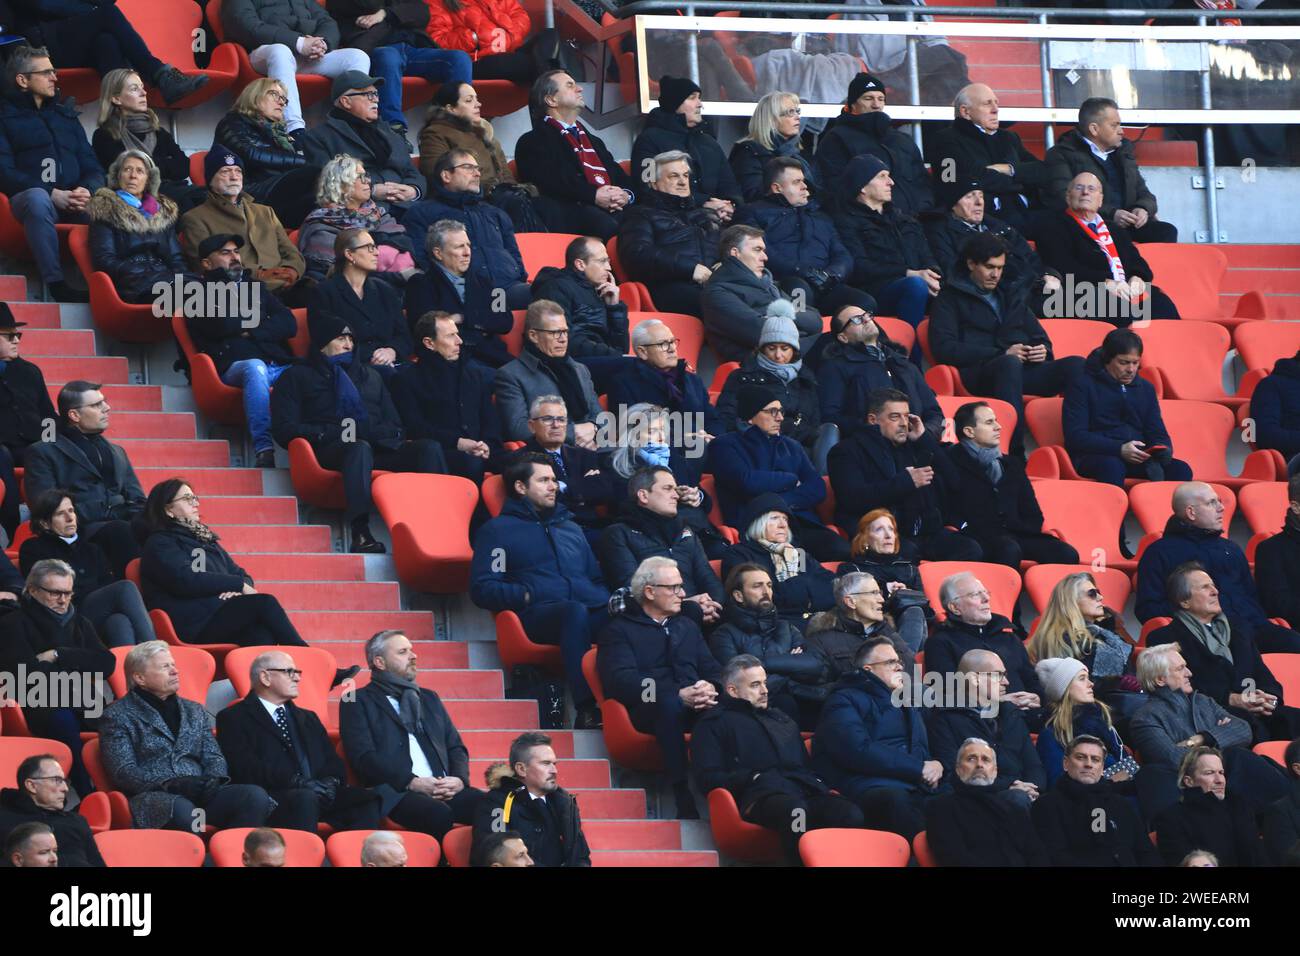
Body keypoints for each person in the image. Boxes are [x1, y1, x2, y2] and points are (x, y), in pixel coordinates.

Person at [271, 312, 446, 553]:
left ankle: (435, 530)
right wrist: (329, 432)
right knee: (358, 447)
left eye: (351, 339)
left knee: (429, 449)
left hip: (377, 446)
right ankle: (360, 532)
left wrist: (372, 432)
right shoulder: (296, 376)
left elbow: (395, 424)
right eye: (341, 338)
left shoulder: (370, 376)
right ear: (323, 342)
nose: (348, 344)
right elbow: (284, 429)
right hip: (330, 450)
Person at [470, 454, 608, 728]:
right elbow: (484, 587)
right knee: (573, 612)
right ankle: (586, 709)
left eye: (555, 480)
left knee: (632, 616)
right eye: (544, 480)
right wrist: (526, 595)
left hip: (586, 607)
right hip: (536, 614)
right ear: (521, 487)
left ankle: (637, 710)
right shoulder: (498, 532)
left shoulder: (570, 528)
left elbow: (595, 577)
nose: (553, 486)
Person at [691, 654, 863, 863]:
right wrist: (752, 778)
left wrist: (819, 785)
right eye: (755, 685)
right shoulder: (712, 724)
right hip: (757, 796)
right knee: (796, 812)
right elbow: (707, 778)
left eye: (764, 683)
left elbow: (805, 767)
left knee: (850, 813)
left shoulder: (782, 719)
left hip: (802, 789)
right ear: (732, 691)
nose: (765, 690)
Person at [930, 235, 1084, 454]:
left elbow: (1040, 336)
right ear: (971, 264)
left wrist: (1042, 351)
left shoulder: (1009, 295)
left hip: (1021, 370)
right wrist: (1001, 353)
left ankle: (1079, 446)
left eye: (1000, 268)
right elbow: (944, 348)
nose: (996, 274)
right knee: (1008, 364)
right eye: (989, 267)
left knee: (1076, 365)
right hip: (979, 373)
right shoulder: (949, 299)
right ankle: (1014, 451)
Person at [99, 641, 275, 830]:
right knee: (185, 812)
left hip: (202, 794)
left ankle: (238, 857)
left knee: (254, 797)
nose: (175, 671)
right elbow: (124, 771)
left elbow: (213, 756)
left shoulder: (194, 710)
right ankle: (195, 858)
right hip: (158, 799)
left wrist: (211, 781)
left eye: (173, 665)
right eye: (165, 666)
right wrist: (170, 785)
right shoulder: (117, 715)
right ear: (140, 678)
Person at [597, 556, 720, 817]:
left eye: (681, 586)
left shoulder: (687, 626)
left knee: (730, 707)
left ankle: (726, 791)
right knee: (668, 705)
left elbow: (713, 669)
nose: (683, 594)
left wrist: (709, 686)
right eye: (674, 588)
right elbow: (620, 681)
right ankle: (681, 792)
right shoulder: (618, 630)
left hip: (694, 703)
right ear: (650, 592)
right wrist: (676, 694)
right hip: (649, 708)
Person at [216, 649, 383, 832]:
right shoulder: (233, 717)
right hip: (274, 796)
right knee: (304, 798)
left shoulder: (308, 717)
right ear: (265, 677)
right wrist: (298, 782)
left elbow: (332, 760)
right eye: (289, 672)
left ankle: (358, 858)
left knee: (367, 800)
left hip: (318, 794)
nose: (297, 678)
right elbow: (245, 768)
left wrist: (330, 783)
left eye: (297, 672)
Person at [139, 478, 314, 650]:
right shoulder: (159, 543)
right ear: (168, 510)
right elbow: (187, 580)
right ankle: (307, 657)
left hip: (217, 612)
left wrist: (237, 589)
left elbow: (240, 574)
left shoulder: (206, 540)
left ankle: (273, 676)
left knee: (259, 634)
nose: (196, 504)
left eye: (195, 498)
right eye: (187, 499)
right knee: (264, 603)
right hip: (193, 623)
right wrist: (237, 585)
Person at [339, 629, 480, 838]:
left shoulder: (429, 698)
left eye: (412, 650)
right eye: (403, 652)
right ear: (380, 662)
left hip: (442, 786)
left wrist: (459, 780)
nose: (414, 656)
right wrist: (411, 781)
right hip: (397, 790)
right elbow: (363, 757)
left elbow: (455, 746)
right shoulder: (356, 700)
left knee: (495, 805)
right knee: (438, 813)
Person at [1137, 483, 1300, 654]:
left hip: (1252, 628)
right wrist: (1195, 617)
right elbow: (1148, 608)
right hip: (1203, 633)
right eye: (1211, 503)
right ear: (1191, 512)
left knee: (1293, 643)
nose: (1221, 508)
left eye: (1220, 502)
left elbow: (1253, 599)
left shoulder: (1231, 548)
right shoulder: (1159, 552)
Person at [1129, 642, 1286, 821]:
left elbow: (1243, 730)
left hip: (1226, 783)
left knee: (1246, 758)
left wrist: (1200, 738)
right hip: (1190, 791)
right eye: (1181, 669)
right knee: (1237, 755)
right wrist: (1220, 733)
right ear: (1160, 679)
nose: (1189, 673)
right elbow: (1172, 758)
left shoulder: (1203, 701)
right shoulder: (1145, 718)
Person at [1146, 562, 1300, 742]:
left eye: (1213, 585)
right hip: (1215, 716)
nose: (1215, 591)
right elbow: (1180, 689)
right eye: (1205, 588)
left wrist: (1269, 698)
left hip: (1260, 711)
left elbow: (1262, 674)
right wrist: (1231, 699)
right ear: (1184, 601)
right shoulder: (1164, 638)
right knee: (1248, 725)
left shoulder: (1239, 629)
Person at [0, 45, 104, 303]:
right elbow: (4, 172)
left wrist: (86, 189)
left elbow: (93, 165)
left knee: (112, 204)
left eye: (53, 71)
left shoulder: (66, 116)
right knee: (38, 198)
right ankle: (57, 284)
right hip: (26, 202)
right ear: (22, 80)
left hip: (74, 199)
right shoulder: (3, 117)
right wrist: (51, 193)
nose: (55, 78)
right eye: (46, 72)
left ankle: (114, 285)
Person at [186, 234, 299, 469]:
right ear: (206, 263)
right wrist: (261, 320)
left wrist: (253, 331)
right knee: (254, 367)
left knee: (316, 371)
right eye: (225, 253)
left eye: (236, 251)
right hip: (232, 366)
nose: (234, 257)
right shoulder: (195, 290)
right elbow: (222, 325)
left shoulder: (256, 288)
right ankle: (264, 448)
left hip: (275, 362)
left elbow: (289, 323)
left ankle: (312, 445)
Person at [0, 559, 112, 793]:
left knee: (122, 716)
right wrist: (79, 664)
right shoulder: (12, 624)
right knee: (63, 718)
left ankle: (122, 791)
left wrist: (59, 655)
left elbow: (106, 663)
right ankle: (86, 791)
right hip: (37, 701)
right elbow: (26, 674)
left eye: (68, 593)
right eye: (55, 593)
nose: (63, 600)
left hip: (81, 698)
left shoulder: (79, 622)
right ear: (32, 590)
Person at [828, 388, 979, 561]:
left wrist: (924, 438)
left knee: (970, 549)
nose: (903, 423)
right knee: (907, 553)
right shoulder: (846, 451)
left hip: (925, 531)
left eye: (906, 416)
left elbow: (954, 481)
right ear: (873, 420)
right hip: (880, 533)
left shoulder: (915, 445)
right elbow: (852, 499)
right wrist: (905, 483)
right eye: (895, 417)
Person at [813, 637, 941, 840]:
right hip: (866, 784)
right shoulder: (843, 700)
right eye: (890, 662)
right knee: (897, 801)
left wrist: (936, 765)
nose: (899, 666)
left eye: (899, 661)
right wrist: (918, 768)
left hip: (912, 782)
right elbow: (857, 750)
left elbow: (922, 746)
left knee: (961, 799)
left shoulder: (907, 701)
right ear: (868, 669)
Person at [710, 388, 848, 562]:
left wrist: (780, 503)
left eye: (781, 411)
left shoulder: (791, 446)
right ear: (750, 417)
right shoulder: (725, 445)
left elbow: (817, 488)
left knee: (842, 551)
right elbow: (747, 482)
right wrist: (791, 479)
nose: (780, 418)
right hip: (757, 528)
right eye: (772, 411)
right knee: (798, 563)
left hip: (800, 522)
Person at [24, 380, 145, 577]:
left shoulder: (117, 452)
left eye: (104, 402)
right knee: (121, 530)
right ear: (74, 415)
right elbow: (45, 506)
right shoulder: (43, 451)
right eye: (97, 405)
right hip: (80, 530)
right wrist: (109, 511)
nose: (107, 408)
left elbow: (138, 499)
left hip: (121, 526)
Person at [940, 401, 1080, 567]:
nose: (998, 427)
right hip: (976, 537)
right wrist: (965, 527)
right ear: (969, 431)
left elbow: (1033, 512)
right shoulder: (950, 461)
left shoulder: (1012, 464)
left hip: (1017, 534)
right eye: (989, 422)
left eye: (996, 421)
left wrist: (1022, 527)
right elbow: (945, 508)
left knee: (1067, 554)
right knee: (1008, 549)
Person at [734, 157, 876, 321]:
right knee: (799, 291)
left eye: (804, 181)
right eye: (797, 182)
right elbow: (761, 250)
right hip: (783, 283)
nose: (805, 186)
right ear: (777, 188)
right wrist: (802, 272)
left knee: (865, 302)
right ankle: (800, 340)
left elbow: (842, 254)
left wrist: (832, 275)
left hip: (825, 285)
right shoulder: (753, 212)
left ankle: (844, 342)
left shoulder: (821, 216)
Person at [1034, 172, 1179, 324]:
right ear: (1068, 197)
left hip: (1124, 289)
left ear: (1100, 200)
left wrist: (1137, 277)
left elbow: (1137, 261)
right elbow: (1062, 266)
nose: (1085, 192)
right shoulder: (1053, 226)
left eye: (1091, 189)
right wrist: (1105, 282)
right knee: (1118, 308)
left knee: (1161, 304)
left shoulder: (1115, 229)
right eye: (1079, 188)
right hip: (1080, 291)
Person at [20, 490, 153, 648]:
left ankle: (127, 670)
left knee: (118, 622)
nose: (70, 518)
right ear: (44, 523)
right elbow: (46, 589)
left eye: (71, 511)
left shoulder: (91, 549)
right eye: (60, 514)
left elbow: (106, 582)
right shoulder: (33, 548)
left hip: (91, 615)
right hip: (63, 614)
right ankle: (155, 650)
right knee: (125, 587)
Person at [179, 149, 312, 307]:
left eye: (238, 171)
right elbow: (205, 265)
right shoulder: (195, 218)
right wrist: (260, 273)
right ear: (210, 180)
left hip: (286, 284)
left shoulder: (265, 211)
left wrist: (291, 270)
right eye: (225, 171)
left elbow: (290, 251)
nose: (234, 176)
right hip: (242, 291)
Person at [1062, 327, 1192, 487]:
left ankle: (1163, 512)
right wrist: (1119, 449)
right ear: (1107, 360)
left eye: (1135, 363)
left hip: (1136, 456)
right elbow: (1076, 436)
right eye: (1123, 362)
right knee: (1112, 466)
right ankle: (1111, 511)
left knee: (1181, 470)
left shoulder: (1146, 389)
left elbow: (1157, 431)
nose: (1131, 369)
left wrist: (1162, 449)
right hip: (1095, 455)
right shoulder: (1081, 385)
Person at [327, 0, 471, 144]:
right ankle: (394, 129)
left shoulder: (388, 14)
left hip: (411, 48)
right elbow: (368, 5)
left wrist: (386, 14)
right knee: (389, 57)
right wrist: (397, 16)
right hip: (375, 49)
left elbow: (421, 12)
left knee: (459, 58)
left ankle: (460, 126)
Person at [515, 70, 637, 239]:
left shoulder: (594, 141)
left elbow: (618, 174)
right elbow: (553, 182)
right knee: (615, 228)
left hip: (612, 210)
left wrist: (625, 194)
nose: (579, 89)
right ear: (551, 100)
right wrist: (594, 195)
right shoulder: (532, 141)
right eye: (570, 85)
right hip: (573, 214)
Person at [220, 0, 371, 136]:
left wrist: (322, 43)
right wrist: (298, 43)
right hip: (262, 54)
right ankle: (293, 129)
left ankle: (351, 126)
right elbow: (245, 25)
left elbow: (327, 21)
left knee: (357, 57)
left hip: (306, 55)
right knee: (280, 51)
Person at [596, 467, 723, 627]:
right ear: (643, 495)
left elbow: (708, 577)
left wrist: (713, 605)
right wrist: (688, 605)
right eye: (667, 488)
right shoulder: (618, 533)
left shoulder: (685, 531)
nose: (676, 495)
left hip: (702, 613)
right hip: (653, 622)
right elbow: (632, 588)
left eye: (675, 489)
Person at [400, 149, 528, 308]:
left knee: (547, 293)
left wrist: (518, 275)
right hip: (462, 292)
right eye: (468, 168)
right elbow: (423, 259)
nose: (477, 174)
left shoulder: (495, 213)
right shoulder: (421, 213)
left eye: (478, 169)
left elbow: (514, 254)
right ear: (446, 175)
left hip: (505, 289)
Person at [4, 5, 206, 104]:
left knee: (106, 42)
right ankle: (160, 75)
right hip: (38, 47)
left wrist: (88, 9)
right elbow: (39, 4)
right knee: (107, 14)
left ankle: (121, 119)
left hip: (71, 38)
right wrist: (88, 9)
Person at [832, 155, 940, 341]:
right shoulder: (846, 222)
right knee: (915, 286)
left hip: (918, 283)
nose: (891, 182)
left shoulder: (904, 219)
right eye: (882, 176)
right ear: (863, 187)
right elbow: (860, 267)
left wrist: (933, 274)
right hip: (877, 291)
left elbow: (927, 254)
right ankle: (908, 355)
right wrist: (909, 273)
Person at [1043, 97, 1177, 244]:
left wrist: (1142, 208)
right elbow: (1063, 198)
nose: (1122, 131)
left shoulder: (1123, 152)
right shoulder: (1061, 154)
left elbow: (1144, 192)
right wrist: (1112, 214)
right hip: (1092, 225)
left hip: (1130, 224)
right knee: (1116, 235)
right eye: (1115, 126)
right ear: (1094, 129)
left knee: (1166, 231)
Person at [390, 311, 503, 484]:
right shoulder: (406, 379)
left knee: (526, 463)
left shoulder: (473, 374)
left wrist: (487, 444)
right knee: (471, 463)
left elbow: (489, 419)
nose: (460, 341)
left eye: (457, 334)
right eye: (451, 336)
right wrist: (458, 443)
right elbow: (415, 428)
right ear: (429, 343)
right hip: (443, 453)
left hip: (481, 450)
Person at [417, 81, 544, 233]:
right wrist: (490, 189)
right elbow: (437, 173)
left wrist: (511, 190)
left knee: (537, 202)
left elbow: (506, 176)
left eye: (476, 99)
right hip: (466, 202)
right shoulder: (435, 133)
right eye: (469, 100)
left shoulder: (486, 136)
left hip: (499, 199)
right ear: (451, 109)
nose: (478, 104)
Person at [606, 403, 726, 560]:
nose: (661, 437)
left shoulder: (677, 460)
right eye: (652, 431)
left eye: (662, 430)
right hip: (653, 539)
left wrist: (697, 496)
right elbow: (623, 507)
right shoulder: (622, 465)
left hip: (697, 533)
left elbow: (705, 500)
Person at [925, 650, 1044, 807]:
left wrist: (1032, 788)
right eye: (998, 675)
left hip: (1022, 795)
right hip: (975, 800)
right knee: (1017, 800)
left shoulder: (1012, 713)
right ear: (974, 679)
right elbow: (954, 774)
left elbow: (1033, 764)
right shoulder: (945, 717)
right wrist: (1009, 786)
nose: (1006, 682)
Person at [923, 84, 1045, 236]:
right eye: (987, 103)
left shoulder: (1009, 138)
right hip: (986, 219)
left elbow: (1042, 171)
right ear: (965, 111)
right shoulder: (946, 140)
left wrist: (1008, 169)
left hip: (1029, 212)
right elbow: (953, 182)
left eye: (996, 103)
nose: (995, 109)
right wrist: (1020, 180)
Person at [706, 566, 822, 725]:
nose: (766, 591)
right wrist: (789, 664)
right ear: (739, 595)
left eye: (769, 585)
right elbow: (739, 680)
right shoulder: (723, 634)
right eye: (757, 586)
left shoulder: (786, 628)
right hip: (751, 717)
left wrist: (760, 664)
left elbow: (814, 665)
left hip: (801, 705)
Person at [615, 149, 722, 319]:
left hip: (714, 284)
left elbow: (724, 247)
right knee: (722, 303)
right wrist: (690, 269)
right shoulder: (640, 214)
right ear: (654, 183)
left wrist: (725, 263)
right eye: (674, 176)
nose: (682, 182)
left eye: (686, 176)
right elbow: (636, 254)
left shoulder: (704, 215)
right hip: (671, 287)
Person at [923, 176, 1056, 312]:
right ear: (953, 205)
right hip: (988, 298)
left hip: (1027, 290)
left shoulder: (999, 226)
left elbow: (1030, 257)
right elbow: (953, 271)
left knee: (1071, 301)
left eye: (981, 195)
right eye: (969, 197)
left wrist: (1048, 274)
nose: (979, 202)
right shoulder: (941, 231)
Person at [926, 572, 1043, 724]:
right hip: (983, 722)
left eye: (985, 593)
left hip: (1028, 716)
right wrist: (1001, 703)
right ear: (955, 607)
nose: (986, 599)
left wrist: (1037, 697)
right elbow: (947, 694)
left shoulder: (1010, 638)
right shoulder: (940, 643)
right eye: (975, 595)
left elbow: (1032, 680)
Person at [299, 71, 425, 213]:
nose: (375, 100)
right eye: (368, 95)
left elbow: (412, 172)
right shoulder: (319, 137)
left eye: (376, 94)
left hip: (407, 206)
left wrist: (414, 190)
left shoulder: (390, 132)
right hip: (361, 211)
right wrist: (371, 191)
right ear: (346, 101)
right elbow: (326, 184)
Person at [812, 72, 933, 216]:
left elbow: (922, 183)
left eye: (881, 99)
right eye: (868, 98)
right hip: (868, 228)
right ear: (853, 105)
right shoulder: (836, 140)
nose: (876, 104)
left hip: (913, 226)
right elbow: (834, 190)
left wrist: (924, 210)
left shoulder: (902, 140)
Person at [1031, 734, 1161, 867]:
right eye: (1081, 757)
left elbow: (1145, 852)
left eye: (1095, 759)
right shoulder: (1047, 805)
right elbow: (1056, 857)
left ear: (1102, 767)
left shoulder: (1121, 804)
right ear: (1066, 763)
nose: (1088, 764)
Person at [815, 306, 942, 437]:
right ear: (843, 337)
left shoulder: (904, 363)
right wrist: (876, 429)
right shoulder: (835, 367)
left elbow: (934, 413)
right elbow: (830, 418)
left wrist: (924, 433)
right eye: (857, 319)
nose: (866, 320)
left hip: (916, 448)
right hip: (867, 447)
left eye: (867, 315)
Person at [213, 78, 323, 230]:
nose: (281, 103)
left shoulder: (280, 133)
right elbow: (252, 153)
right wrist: (300, 161)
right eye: (274, 95)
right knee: (314, 174)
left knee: (324, 191)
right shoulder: (233, 122)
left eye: (284, 99)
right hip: (250, 193)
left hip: (279, 190)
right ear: (255, 96)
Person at [701, 224, 820, 365]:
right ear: (735, 253)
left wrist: (775, 317)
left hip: (794, 356)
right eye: (757, 250)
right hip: (760, 368)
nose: (765, 257)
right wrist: (793, 322)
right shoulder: (717, 293)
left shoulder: (770, 285)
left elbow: (814, 319)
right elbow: (765, 333)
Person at [1028, 572, 1140, 719]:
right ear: (1072, 602)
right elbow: (1077, 689)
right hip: (1090, 714)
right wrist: (1117, 682)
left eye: (1098, 592)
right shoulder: (1066, 639)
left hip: (1118, 705)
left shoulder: (1105, 634)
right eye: (1092, 594)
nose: (1101, 598)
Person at [86, 150, 192, 304]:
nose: (133, 176)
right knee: (196, 299)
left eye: (140, 171)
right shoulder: (105, 209)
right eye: (127, 169)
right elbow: (104, 259)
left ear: (149, 179)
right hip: (134, 284)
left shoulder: (163, 211)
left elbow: (176, 259)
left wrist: (181, 278)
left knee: (218, 292)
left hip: (166, 279)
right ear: (117, 175)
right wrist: (140, 272)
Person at [472, 731, 592, 867]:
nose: (554, 771)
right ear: (521, 769)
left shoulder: (564, 803)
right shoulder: (496, 803)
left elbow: (581, 856)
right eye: (546, 763)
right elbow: (494, 857)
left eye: (554, 764)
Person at [403, 219, 510, 368]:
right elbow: (427, 329)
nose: (467, 253)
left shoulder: (487, 282)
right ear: (438, 253)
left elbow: (505, 320)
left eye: (468, 246)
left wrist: (462, 317)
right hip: (451, 361)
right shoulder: (420, 284)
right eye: (459, 247)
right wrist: (482, 322)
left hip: (492, 356)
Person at [924, 739, 1049, 866]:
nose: (979, 765)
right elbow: (954, 858)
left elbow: (1037, 854)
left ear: (994, 771)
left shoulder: (1014, 810)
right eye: (971, 759)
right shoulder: (941, 808)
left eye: (986, 760)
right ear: (958, 769)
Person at [493, 300, 601, 445]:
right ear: (533, 335)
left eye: (565, 332)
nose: (563, 339)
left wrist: (593, 428)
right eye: (555, 333)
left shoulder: (579, 369)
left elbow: (600, 417)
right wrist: (573, 433)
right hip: (550, 454)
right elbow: (518, 429)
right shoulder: (510, 375)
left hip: (593, 446)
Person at [803, 572, 917, 710]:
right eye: (874, 593)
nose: (881, 599)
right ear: (851, 601)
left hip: (899, 709)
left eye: (880, 593)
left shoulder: (888, 632)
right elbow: (816, 691)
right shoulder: (820, 640)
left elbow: (911, 671)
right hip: (856, 713)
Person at [307, 227, 414, 374]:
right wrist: (372, 357)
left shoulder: (385, 290)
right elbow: (328, 343)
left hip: (393, 364)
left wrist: (392, 351)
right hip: (351, 370)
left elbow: (404, 336)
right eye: (369, 248)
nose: (377, 252)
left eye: (375, 247)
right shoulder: (324, 292)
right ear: (350, 255)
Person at [715, 316, 826, 456]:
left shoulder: (806, 379)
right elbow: (726, 418)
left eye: (785, 349)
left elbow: (814, 423)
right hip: (756, 448)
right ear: (762, 349)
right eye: (772, 348)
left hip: (799, 449)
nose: (778, 355)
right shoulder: (741, 377)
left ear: (794, 350)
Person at [297, 155, 416, 284]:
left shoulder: (377, 213)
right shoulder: (321, 227)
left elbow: (404, 245)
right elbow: (342, 271)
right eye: (359, 177)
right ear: (341, 185)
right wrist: (387, 256)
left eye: (366, 175)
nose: (367, 181)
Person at [630, 76, 741, 212]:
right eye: (692, 98)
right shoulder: (649, 139)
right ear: (674, 103)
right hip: (672, 219)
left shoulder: (709, 142)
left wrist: (730, 206)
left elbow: (729, 185)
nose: (700, 104)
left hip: (718, 217)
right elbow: (646, 187)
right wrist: (703, 203)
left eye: (699, 98)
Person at [91, 69, 194, 210]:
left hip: (171, 192)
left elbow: (183, 167)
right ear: (116, 98)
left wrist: (146, 164)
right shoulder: (105, 135)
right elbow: (123, 174)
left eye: (142, 87)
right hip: (132, 201)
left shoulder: (159, 131)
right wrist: (164, 164)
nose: (143, 93)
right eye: (134, 89)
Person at [517, 396, 619, 529]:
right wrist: (583, 487)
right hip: (552, 528)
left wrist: (563, 486)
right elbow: (539, 501)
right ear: (532, 426)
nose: (556, 425)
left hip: (592, 527)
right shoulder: (521, 459)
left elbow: (606, 490)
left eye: (561, 419)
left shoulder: (583, 454)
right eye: (548, 419)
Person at [604, 320, 717, 440]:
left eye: (673, 342)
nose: (672, 349)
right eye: (662, 344)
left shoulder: (693, 380)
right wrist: (684, 439)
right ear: (643, 352)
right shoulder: (623, 384)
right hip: (660, 451)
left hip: (703, 445)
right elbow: (633, 430)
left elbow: (712, 419)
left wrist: (713, 438)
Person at [1154, 747, 1267, 866]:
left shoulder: (1239, 807)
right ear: (1189, 781)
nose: (1219, 780)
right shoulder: (1170, 819)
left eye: (1221, 773)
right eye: (1209, 773)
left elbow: (1259, 857)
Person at [0, 302, 55, 538]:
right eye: (9, 335)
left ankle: (51, 522)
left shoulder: (30, 371)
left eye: (17, 335)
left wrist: (50, 443)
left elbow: (48, 416)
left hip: (31, 445)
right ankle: (10, 526)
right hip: (2, 448)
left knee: (46, 452)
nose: (16, 340)